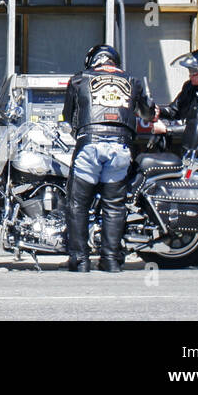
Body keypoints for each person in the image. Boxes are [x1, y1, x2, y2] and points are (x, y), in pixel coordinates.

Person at [62, 44, 154, 273]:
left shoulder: (79, 79)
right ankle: (111, 260)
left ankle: (80, 260)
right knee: (114, 206)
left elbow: (68, 115)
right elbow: (147, 113)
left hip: (90, 145)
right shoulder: (133, 81)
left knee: (78, 205)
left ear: (92, 61)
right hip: (121, 148)